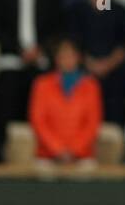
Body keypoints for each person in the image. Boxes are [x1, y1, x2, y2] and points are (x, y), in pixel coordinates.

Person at [27, 36, 102, 165]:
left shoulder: (91, 86)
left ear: (78, 57)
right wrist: (58, 150)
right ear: (56, 58)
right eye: (63, 55)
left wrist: (73, 150)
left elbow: (92, 124)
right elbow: (38, 121)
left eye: (71, 55)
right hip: (48, 155)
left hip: (82, 156)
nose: (67, 59)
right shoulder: (42, 85)